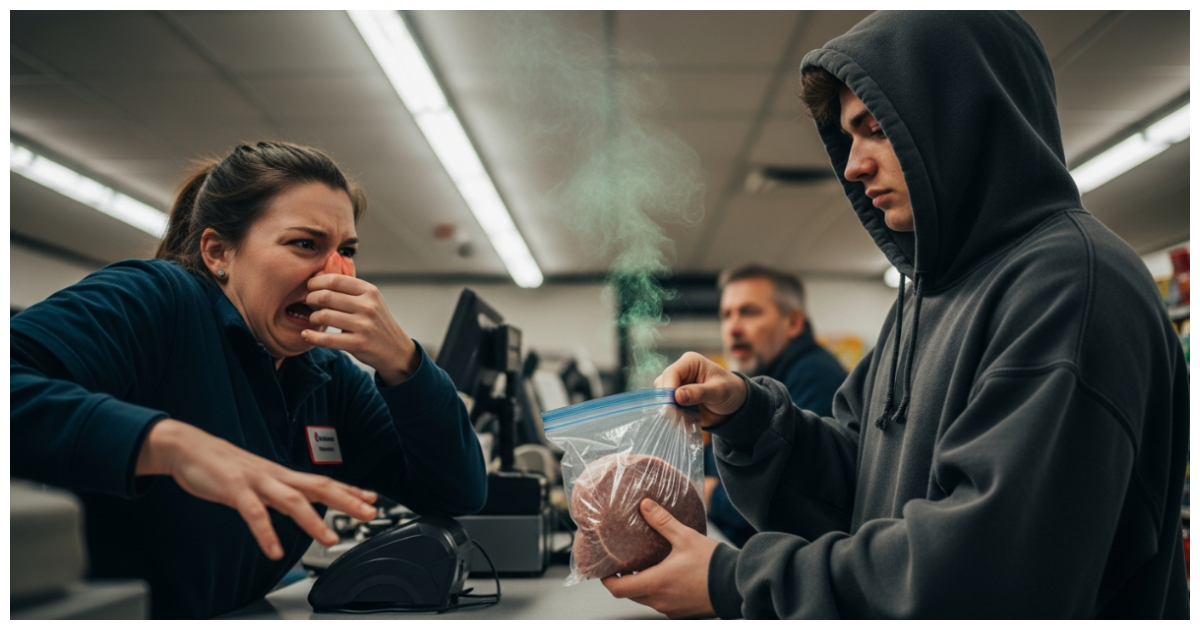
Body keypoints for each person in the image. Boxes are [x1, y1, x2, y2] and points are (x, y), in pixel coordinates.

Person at [600, 11, 1189, 619]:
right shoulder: (924, 296)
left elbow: (987, 571)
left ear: (963, 119)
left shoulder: (1071, 286)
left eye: (876, 128)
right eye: (849, 137)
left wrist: (739, 580)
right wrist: (749, 418)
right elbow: (861, 493)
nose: (853, 165)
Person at [10, 141, 489, 619]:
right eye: (305, 244)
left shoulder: (326, 373)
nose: (335, 274)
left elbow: (455, 493)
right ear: (218, 251)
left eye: (346, 250)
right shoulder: (159, 298)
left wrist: (404, 363)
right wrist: (167, 443)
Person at [705, 264, 847, 545]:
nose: (732, 328)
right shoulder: (764, 378)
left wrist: (711, 496)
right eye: (726, 315)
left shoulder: (815, 377)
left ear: (793, 322)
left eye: (749, 312)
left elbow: (795, 494)